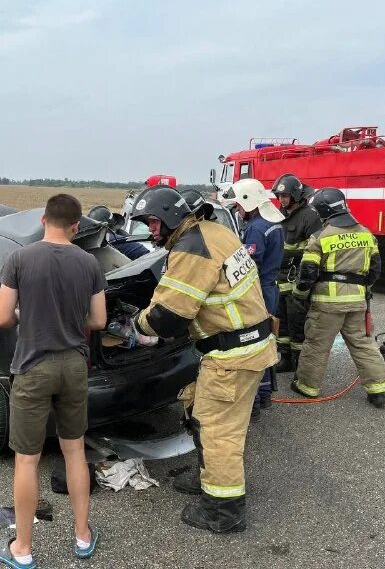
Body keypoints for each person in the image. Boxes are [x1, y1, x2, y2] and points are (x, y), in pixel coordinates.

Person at [130, 185, 276, 533]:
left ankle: (223, 512)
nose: (150, 230)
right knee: (198, 411)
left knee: (218, 431)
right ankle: (206, 476)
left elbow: (168, 317)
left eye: (152, 222)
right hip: (246, 345)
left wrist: (135, 322)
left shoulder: (191, 249)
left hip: (233, 355)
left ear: (170, 216)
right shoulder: (214, 232)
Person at [0, 194, 107, 568]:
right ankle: (82, 536)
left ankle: (22, 550)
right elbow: (99, 321)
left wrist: (28, 316)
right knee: (74, 451)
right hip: (74, 365)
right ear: (76, 226)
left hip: (33, 366)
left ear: (44, 220)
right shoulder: (89, 262)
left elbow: (2, 317)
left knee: (27, 460)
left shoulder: (21, 259)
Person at [290, 187, 385, 408]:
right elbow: (374, 270)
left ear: (324, 211)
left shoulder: (320, 237)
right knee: (363, 344)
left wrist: (300, 294)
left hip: (326, 306)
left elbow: (307, 273)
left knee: (317, 344)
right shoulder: (366, 234)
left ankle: (307, 387)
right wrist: (362, 289)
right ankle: (378, 390)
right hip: (357, 303)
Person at [221, 179, 285, 420]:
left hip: (258, 292)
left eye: (238, 207)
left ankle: (254, 404)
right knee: (266, 341)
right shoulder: (274, 224)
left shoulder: (256, 228)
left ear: (248, 203)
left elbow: (248, 265)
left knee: (252, 345)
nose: (238, 211)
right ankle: (266, 393)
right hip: (270, 289)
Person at [271, 174, 322, 373]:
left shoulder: (310, 216)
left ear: (295, 195)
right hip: (280, 277)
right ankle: (285, 357)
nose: (281, 200)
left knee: (298, 321)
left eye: (285, 196)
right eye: (279, 196)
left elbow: (317, 248)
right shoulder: (280, 213)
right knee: (280, 318)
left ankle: (300, 361)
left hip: (297, 277)